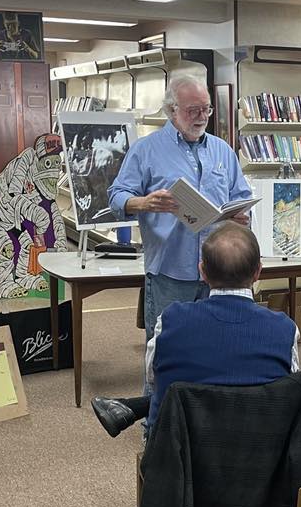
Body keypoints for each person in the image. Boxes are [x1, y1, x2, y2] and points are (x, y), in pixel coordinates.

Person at [91, 222, 298, 438]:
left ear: (202, 271)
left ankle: (130, 408)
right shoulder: (285, 330)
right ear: (258, 272)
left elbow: (154, 378)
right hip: (260, 449)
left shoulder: (170, 321)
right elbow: (288, 391)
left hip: (178, 449)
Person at [107, 74, 253, 344]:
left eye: (206, 109)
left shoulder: (222, 150)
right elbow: (117, 196)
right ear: (172, 110)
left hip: (219, 271)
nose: (202, 117)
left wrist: (242, 215)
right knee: (167, 346)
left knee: (218, 345)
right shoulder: (146, 149)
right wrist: (144, 203)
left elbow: (241, 196)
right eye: (193, 110)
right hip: (170, 271)